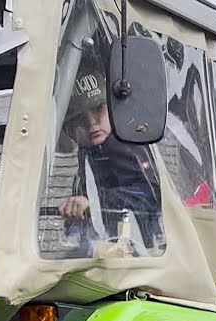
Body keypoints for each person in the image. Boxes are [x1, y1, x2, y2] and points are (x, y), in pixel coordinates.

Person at [58, 69, 163, 257]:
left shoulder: (125, 144)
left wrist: (96, 203)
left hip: (143, 253)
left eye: (98, 109)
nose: (91, 123)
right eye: (81, 117)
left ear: (113, 110)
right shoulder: (88, 154)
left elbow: (150, 195)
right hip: (118, 249)